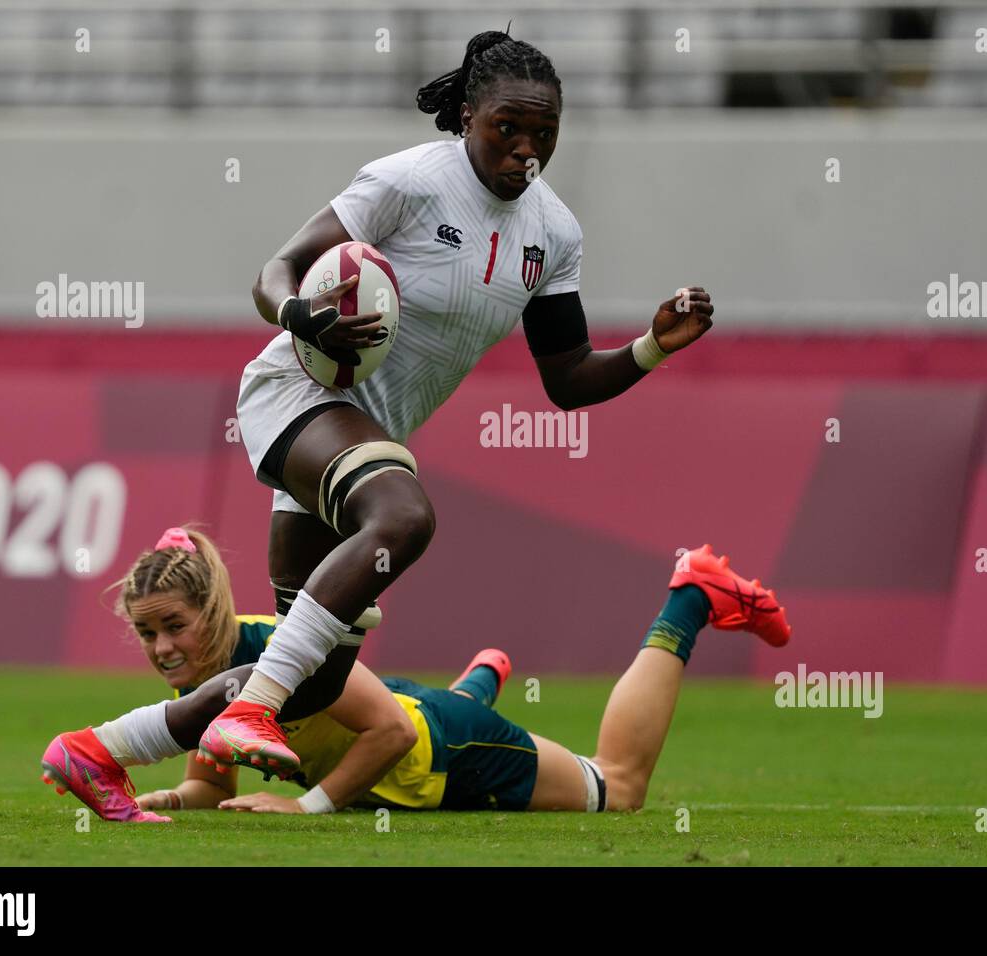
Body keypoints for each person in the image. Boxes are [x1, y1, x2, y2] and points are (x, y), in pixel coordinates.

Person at [202, 26, 717, 779]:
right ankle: (246, 716)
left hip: (363, 435)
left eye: (544, 134)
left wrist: (652, 345)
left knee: (314, 682)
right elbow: (276, 270)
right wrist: (297, 315)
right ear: (468, 115)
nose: (525, 150)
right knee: (405, 516)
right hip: (297, 395)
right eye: (508, 128)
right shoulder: (409, 181)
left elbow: (567, 377)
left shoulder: (555, 232)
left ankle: (114, 746)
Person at [41, 527, 790, 819]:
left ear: (214, 608)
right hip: (414, 734)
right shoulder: (199, 685)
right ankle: (476, 684)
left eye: (174, 625)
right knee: (420, 704)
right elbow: (213, 784)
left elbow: (391, 732)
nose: (163, 647)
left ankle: (692, 598)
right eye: (147, 633)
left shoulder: (274, 651)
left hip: (449, 754)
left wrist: (307, 811)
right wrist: (165, 800)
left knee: (617, 789)